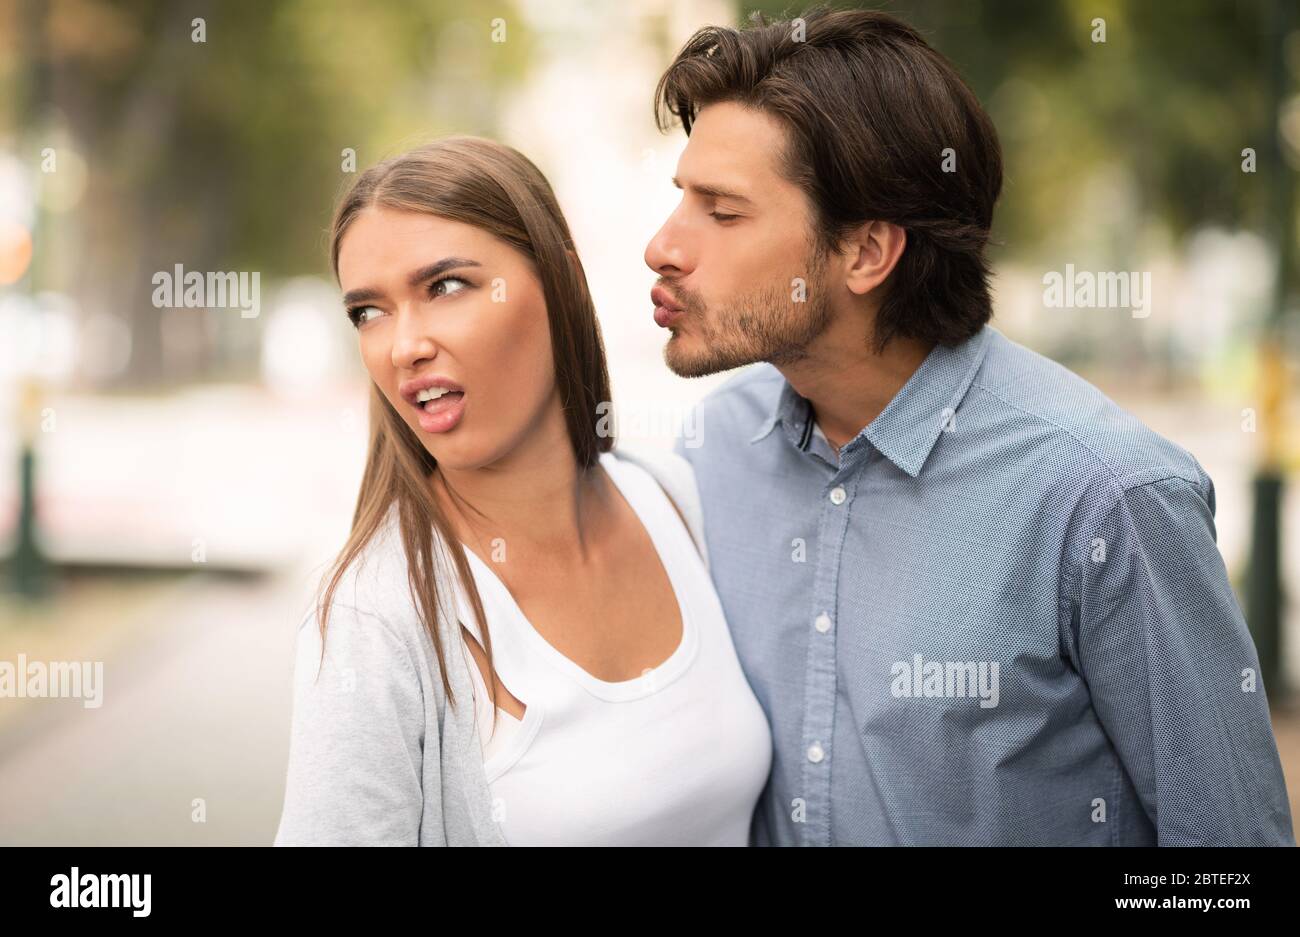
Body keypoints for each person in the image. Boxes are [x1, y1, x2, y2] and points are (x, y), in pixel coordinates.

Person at [645, 6, 1294, 845]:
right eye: (681, 200)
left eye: (722, 212)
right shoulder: (715, 450)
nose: (662, 246)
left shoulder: (1107, 498)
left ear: (868, 251)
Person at [274, 136, 771, 845]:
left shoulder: (675, 498)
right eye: (369, 311)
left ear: (561, 280)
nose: (403, 345)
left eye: (445, 286)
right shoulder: (375, 616)